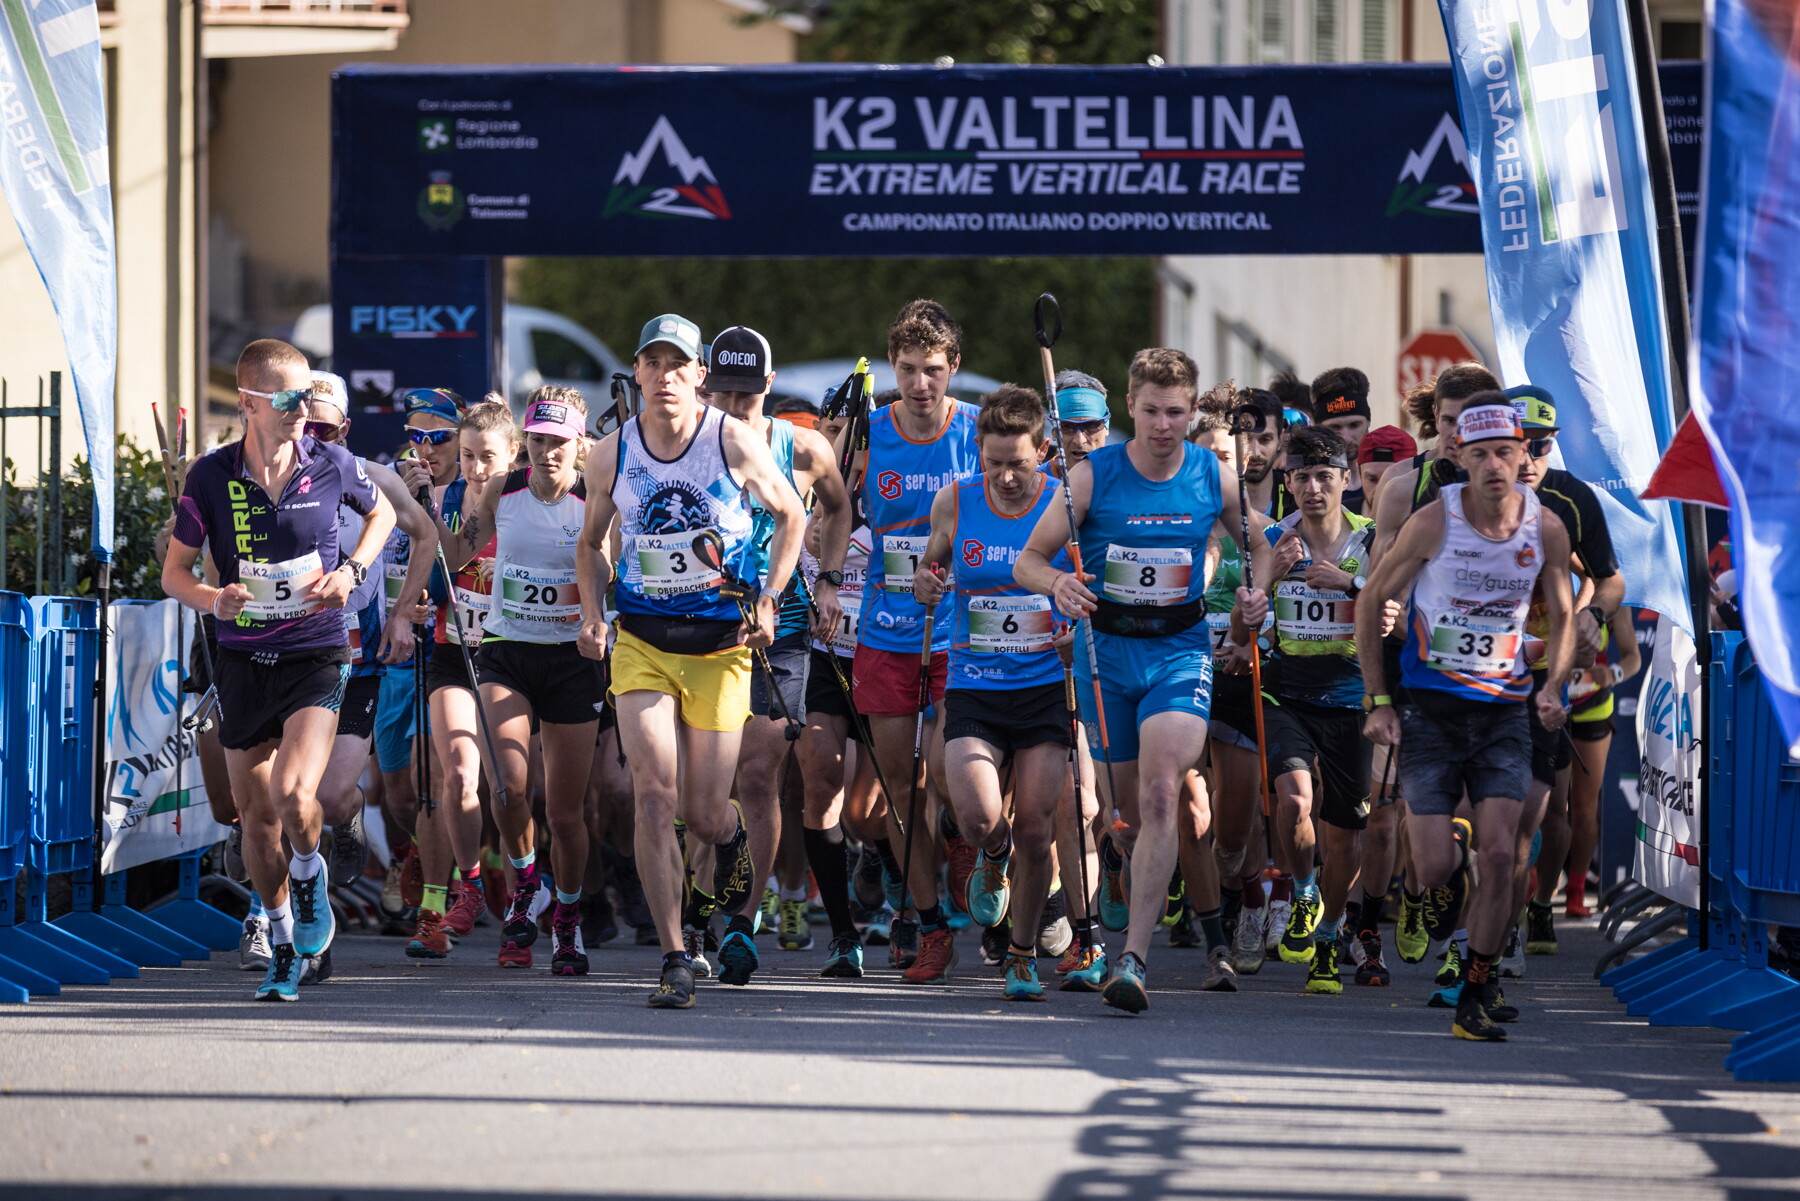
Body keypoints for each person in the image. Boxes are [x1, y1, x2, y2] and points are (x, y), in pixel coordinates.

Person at [576, 313, 806, 1010]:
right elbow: (591, 542)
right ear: (638, 372)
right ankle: (676, 953)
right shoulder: (610, 453)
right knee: (653, 795)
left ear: (699, 375)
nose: (667, 376)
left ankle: (730, 844)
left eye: (680, 365)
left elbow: (793, 516)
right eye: (655, 363)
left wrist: (768, 597)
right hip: (643, 640)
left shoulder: (732, 440)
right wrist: (593, 609)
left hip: (718, 645)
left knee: (707, 814)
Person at [161, 339, 396, 1001]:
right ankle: (286, 939)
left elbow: (379, 515)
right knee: (254, 817)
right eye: (286, 398)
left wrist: (351, 571)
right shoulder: (209, 476)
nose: (302, 409)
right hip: (241, 659)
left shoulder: (333, 464)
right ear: (248, 403)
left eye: (306, 397)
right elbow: (172, 572)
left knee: (297, 794)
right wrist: (215, 598)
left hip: (316, 653)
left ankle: (312, 871)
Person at [1015, 347, 1248, 1014]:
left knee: (1161, 790)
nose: (1164, 425)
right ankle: (1135, 866)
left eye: (1177, 412)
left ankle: (1133, 960)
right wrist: (1058, 581)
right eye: (1151, 410)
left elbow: (1253, 542)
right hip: (1105, 656)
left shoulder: (1213, 475)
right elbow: (1028, 559)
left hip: (1178, 650)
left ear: (1192, 410)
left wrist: (1260, 591)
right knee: (1121, 819)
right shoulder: (1091, 478)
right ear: (1132, 406)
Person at [1353, 399, 1576, 1041]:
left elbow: (1563, 616)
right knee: (1430, 869)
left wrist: (1554, 684)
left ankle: (1474, 990)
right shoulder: (1433, 522)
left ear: (1524, 454)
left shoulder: (1547, 529)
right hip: (1432, 710)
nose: (1494, 465)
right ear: (1459, 457)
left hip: (1505, 709)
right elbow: (1373, 599)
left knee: (1502, 853)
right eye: (1478, 454)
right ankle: (1445, 889)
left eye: (1506, 451)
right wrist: (1378, 698)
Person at [908, 385, 1075, 998]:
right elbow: (932, 568)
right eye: (994, 463)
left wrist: (1071, 631)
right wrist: (926, 583)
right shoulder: (954, 502)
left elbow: (1084, 584)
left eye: (1020, 464)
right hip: (975, 682)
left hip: (1043, 687)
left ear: (1044, 455)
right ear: (978, 453)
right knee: (978, 817)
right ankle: (992, 853)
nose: (1006, 477)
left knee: (1037, 826)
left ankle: (1023, 953)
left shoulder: (1064, 504)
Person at [432, 387, 605, 976]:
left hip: (571, 660)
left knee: (565, 812)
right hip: (506, 651)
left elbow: (610, 570)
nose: (548, 453)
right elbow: (457, 555)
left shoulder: (592, 499)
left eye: (559, 443)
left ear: (579, 445)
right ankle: (528, 882)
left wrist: (597, 619)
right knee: (506, 785)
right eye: (538, 441)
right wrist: (428, 509)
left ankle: (568, 920)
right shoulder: (503, 490)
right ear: (524, 443)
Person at [701, 325, 850, 987]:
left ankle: (741, 920)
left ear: (769, 385)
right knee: (707, 787)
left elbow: (840, 508)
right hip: (697, 629)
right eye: (723, 394)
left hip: (780, 631)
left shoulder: (805, 447)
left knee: (758, 775)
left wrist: (828, 580)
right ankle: (707, 900)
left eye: (747, 394)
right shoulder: (685, 443)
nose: (735, 408)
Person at [843, 300, 983, 982]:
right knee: (899, 790)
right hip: (885, 630)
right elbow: (834, 510)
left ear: (953, 367)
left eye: (933, 370)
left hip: (962, 632)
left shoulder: (979, 435)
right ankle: (928, 924)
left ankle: (964, 838)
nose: (920, 385)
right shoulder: (867, 435)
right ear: (891, 368)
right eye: (907, 371)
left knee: (952, 774)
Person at [1241, 425, 1379, 995]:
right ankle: (1302, 890)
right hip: (1286, 692)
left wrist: (1349, 583)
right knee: (1295, 798)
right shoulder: (1273, 538)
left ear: (1345, 481)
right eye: (1303, 478)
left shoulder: (1372, 539)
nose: (1314, 488)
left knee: (1346, 836)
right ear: (1288, 480)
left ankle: (1328, 932)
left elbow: (1399, 604)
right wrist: (1270, 577)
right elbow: (1242, 622)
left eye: (1326, 477)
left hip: (1350, 698)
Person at [301, 374, 437, 899]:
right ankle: (283, 914)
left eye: (325, 430)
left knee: (333, 796)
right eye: (304, 425)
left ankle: (350, 814)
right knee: (286, 791)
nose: (312, 438)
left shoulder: (373, 476)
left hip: (360, 657)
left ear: (346, 428)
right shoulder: (273, 476)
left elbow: (424, 534)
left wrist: (402, 614)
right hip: (295, 655)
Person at [1503, 385, 1625, 960]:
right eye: (1513, 443)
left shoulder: (1572, 499)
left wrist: (1592, 617)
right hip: (1479, 667)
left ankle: (1536, 903)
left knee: (1548, 809)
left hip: (1547, 674)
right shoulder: (1464, 494)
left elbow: (1611, 577)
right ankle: (1484, 922)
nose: (1525, 457)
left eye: (1540, 445)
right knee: (1483, 803)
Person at [403, 398, 518, 958]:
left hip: (510, 654)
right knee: (456, 772)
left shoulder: (523, 500)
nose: (475, 469)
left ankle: (520, 898)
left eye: (486, 458)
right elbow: (435, 562)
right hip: (452, 648)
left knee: (513, 789)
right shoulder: (446, 498)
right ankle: (468, 884)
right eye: (467, 457)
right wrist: (419, 603)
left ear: (510, 456)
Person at [372, 388, 467, 935]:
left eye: (440, 438)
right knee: (397, 786)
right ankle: (409, 851)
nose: (426, 449)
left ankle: (440, 883)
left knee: (433, 773)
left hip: (447, 645)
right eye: (417, 437)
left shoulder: (472, 489)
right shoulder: (387, 482)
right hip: (393, 649)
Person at [1311, 367, 1373, 514]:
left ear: (1368, 422)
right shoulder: (1307, 484)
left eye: (1354, 425)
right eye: (1335, 428)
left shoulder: (1387, 475)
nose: (1346, 438)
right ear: (1318, 427)